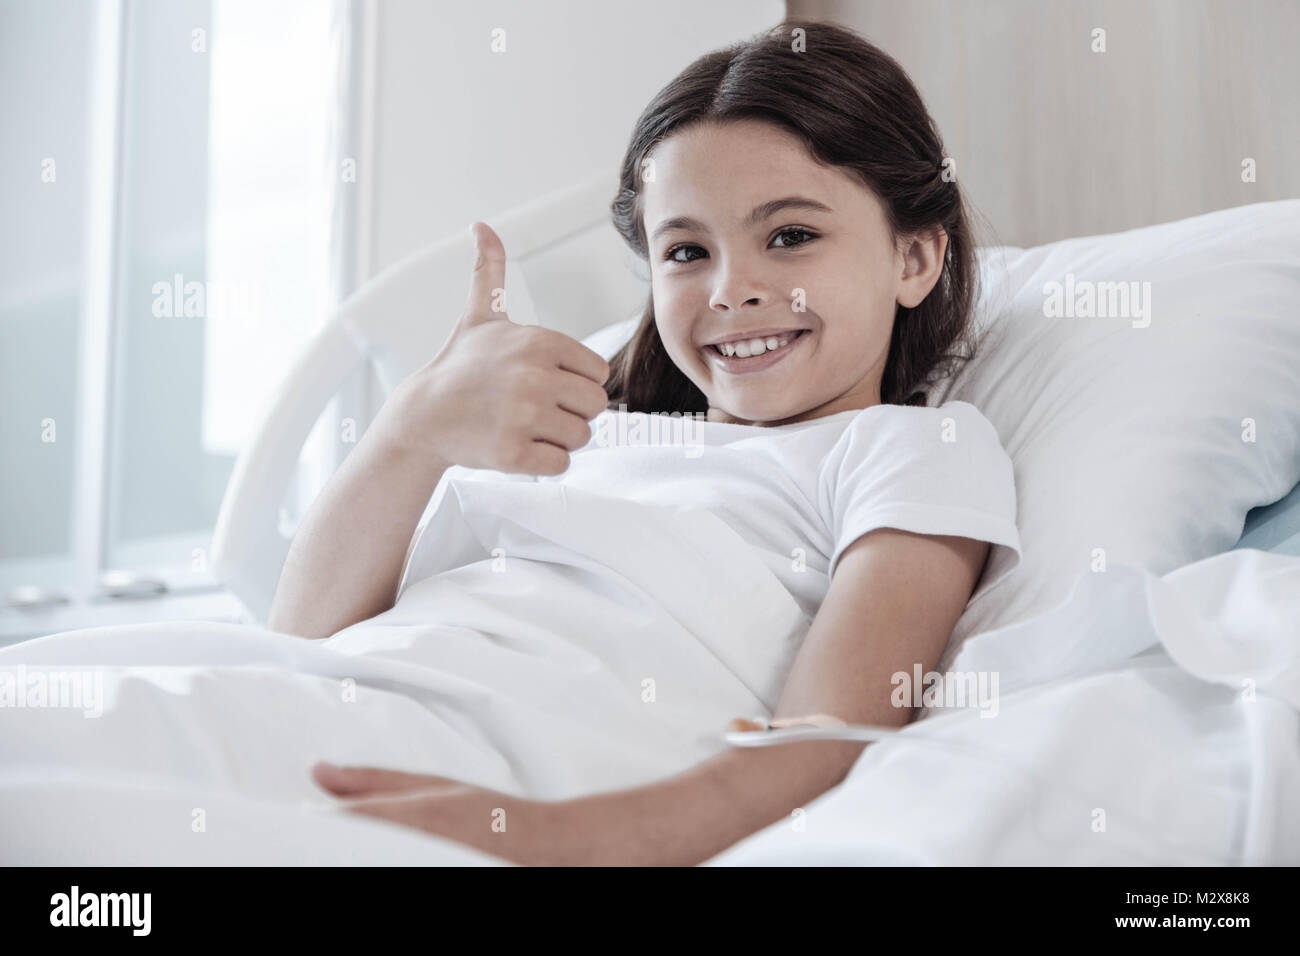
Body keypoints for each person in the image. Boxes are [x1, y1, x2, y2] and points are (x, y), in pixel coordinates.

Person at [272, 20, 1020, 865]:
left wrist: (550, 839)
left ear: (915, 256)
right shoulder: (587, 435)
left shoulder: (909, 449)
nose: (732, 291)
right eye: (688, 251)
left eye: (790, 236)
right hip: (340, 706)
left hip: (491, 773)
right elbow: (297, 640)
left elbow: (821, 745)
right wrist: (413, 427)